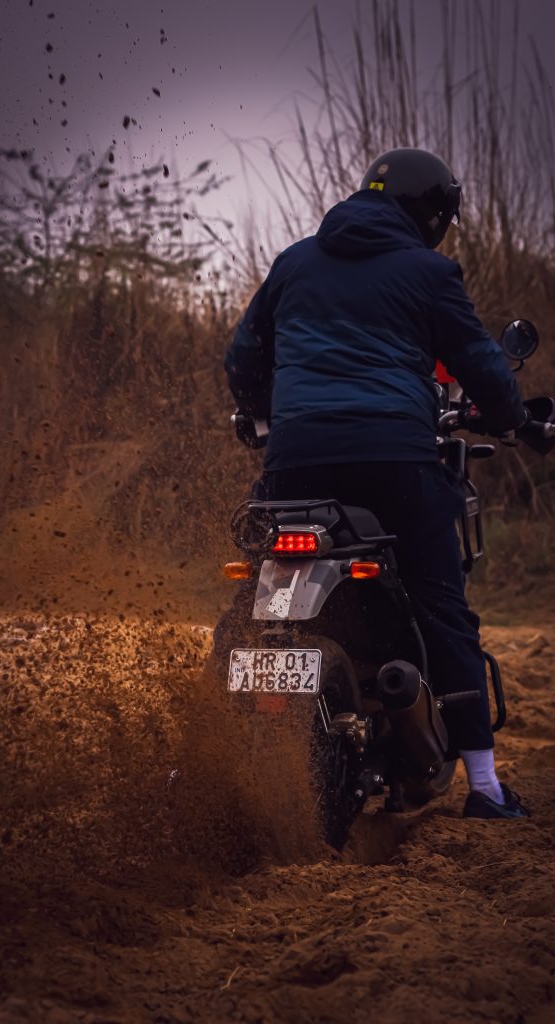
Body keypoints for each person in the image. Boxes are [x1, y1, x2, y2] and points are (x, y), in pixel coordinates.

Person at [224, 147, 529, 820]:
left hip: (295, 462)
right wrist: (513, 419)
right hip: (393, 458)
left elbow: (242, 356)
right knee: (443, 605)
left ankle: (218, 739)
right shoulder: (428, 271)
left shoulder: (293, 262)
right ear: (431, 214)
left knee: (256, 576)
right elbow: (478, 360)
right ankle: (482, 787)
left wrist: (260, 416)